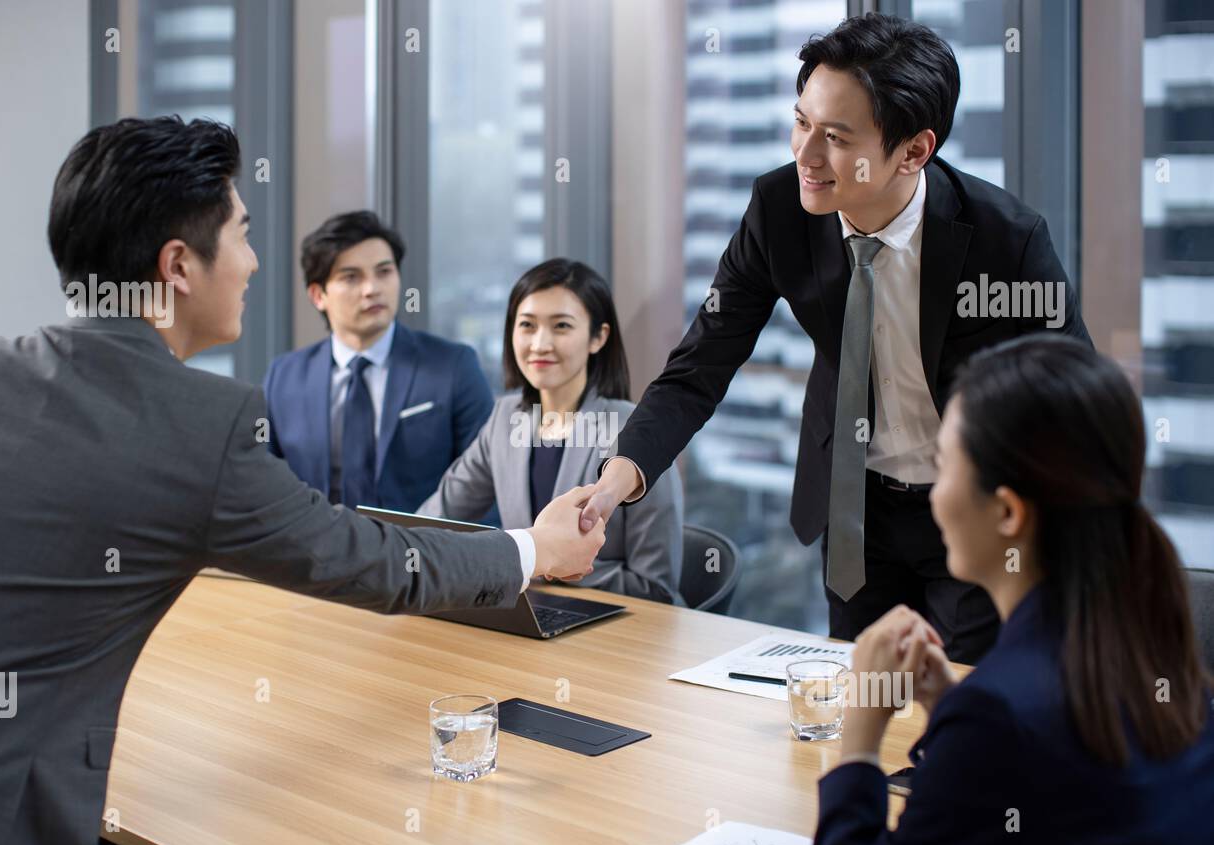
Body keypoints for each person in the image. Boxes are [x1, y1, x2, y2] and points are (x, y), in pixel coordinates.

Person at [0, 116, 604, 845]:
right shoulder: (202, 422)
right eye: (241, 235)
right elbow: (371, 562)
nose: (251, 262)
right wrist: (535, 547)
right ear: (179, 264)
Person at [575, 13, 1091, 664]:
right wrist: (617, 479)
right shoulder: (778, 212)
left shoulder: (1005, 239)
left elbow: (1079, 398)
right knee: (861, 695)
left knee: (958, 706)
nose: (807, 156)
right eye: (802, 123)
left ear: (914, 150)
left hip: (973, 508)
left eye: (838, 138)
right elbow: (702, 360)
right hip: (856, 508)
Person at [813, 336, 1214, 845]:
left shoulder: (997, 718)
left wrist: (860, 744)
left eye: (943, 464)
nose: (931, 493)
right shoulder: (1174, 677)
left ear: (1007, 513)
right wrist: (951, 713)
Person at [419, 259, 684, 604]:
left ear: (598, 337)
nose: (540, 344)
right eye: (527, 325)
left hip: (616, 633)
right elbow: (436, 519)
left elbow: (657, 589)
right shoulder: (504, 418)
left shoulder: (636, 434)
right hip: (529, 620)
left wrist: (538, 560)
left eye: (561, 326)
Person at [262, 212, 494, 512]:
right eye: (351, 277)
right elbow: (262, 485)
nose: (372, 288)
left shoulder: (453, 367)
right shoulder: (285, 377)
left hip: (424, 553)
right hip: (315, 554)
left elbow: (488, 487)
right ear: (318, 295)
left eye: (384, 272)